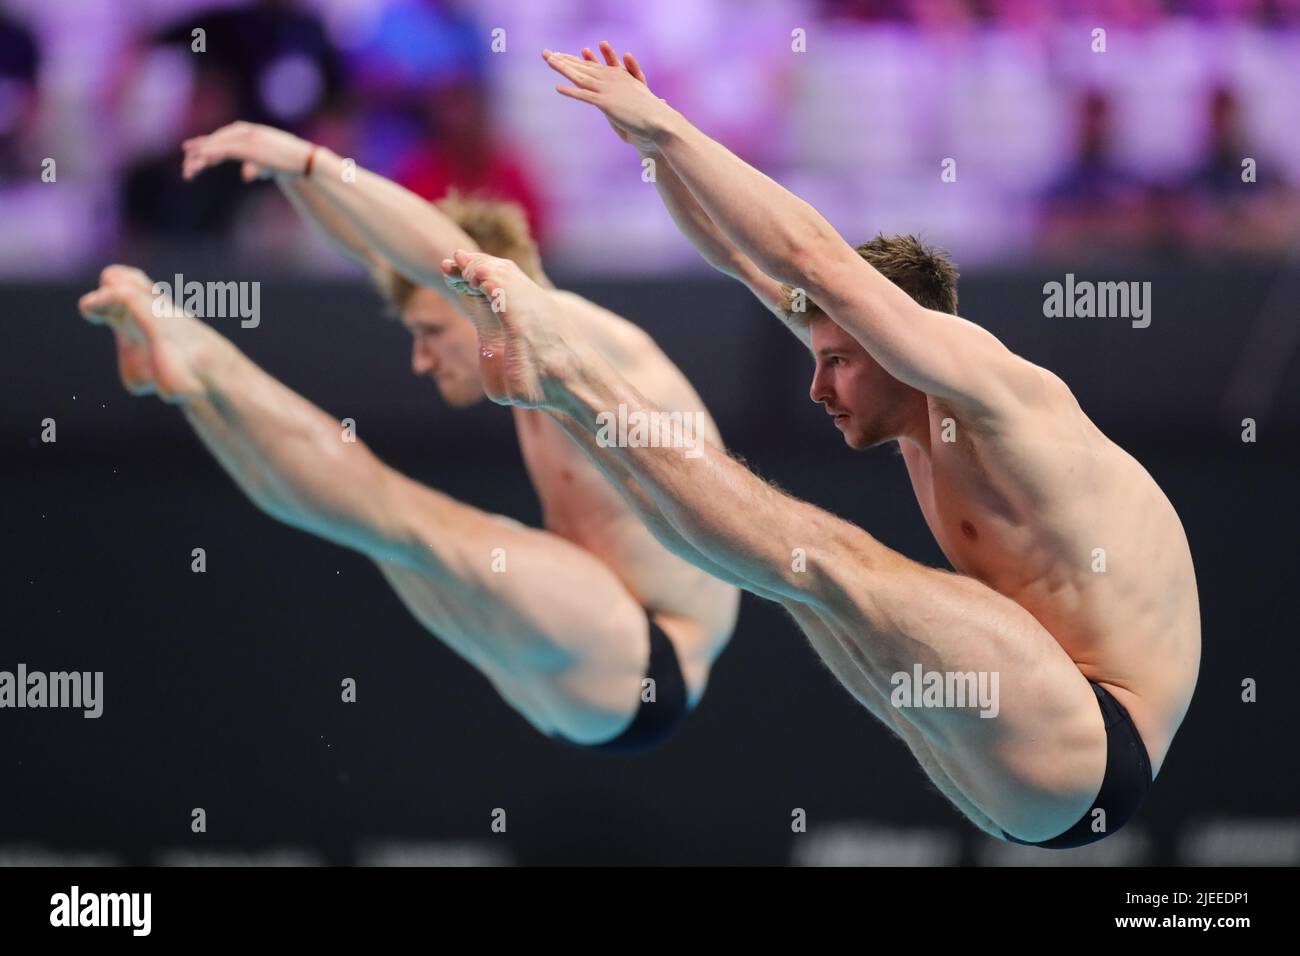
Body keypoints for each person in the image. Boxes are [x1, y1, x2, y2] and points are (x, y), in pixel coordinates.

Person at [456, 42, 1199, 846]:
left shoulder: (997, 390)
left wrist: (670, 126)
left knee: (822, 554)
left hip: (1094, 734)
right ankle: (569, 398)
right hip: (1023, 756)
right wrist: (649, 150)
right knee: (795, 579)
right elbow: (746, 257)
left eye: (840, 362)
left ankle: (564, 376)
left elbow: (809, 255)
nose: (819, 389)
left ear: (904, 341)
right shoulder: (908, 388)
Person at [78, 123, 740, 753]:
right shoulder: (526, 348)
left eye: (430, 332)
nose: (421, 360)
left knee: (396, 514)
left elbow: (438, 255)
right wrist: (295, 180)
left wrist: (305, 158)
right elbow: (376, 249)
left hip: (645, 660)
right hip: (571, 660)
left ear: (480, 294)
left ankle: (195, 356)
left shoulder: (581, 336)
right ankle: (193, 387)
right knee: (375, 527)